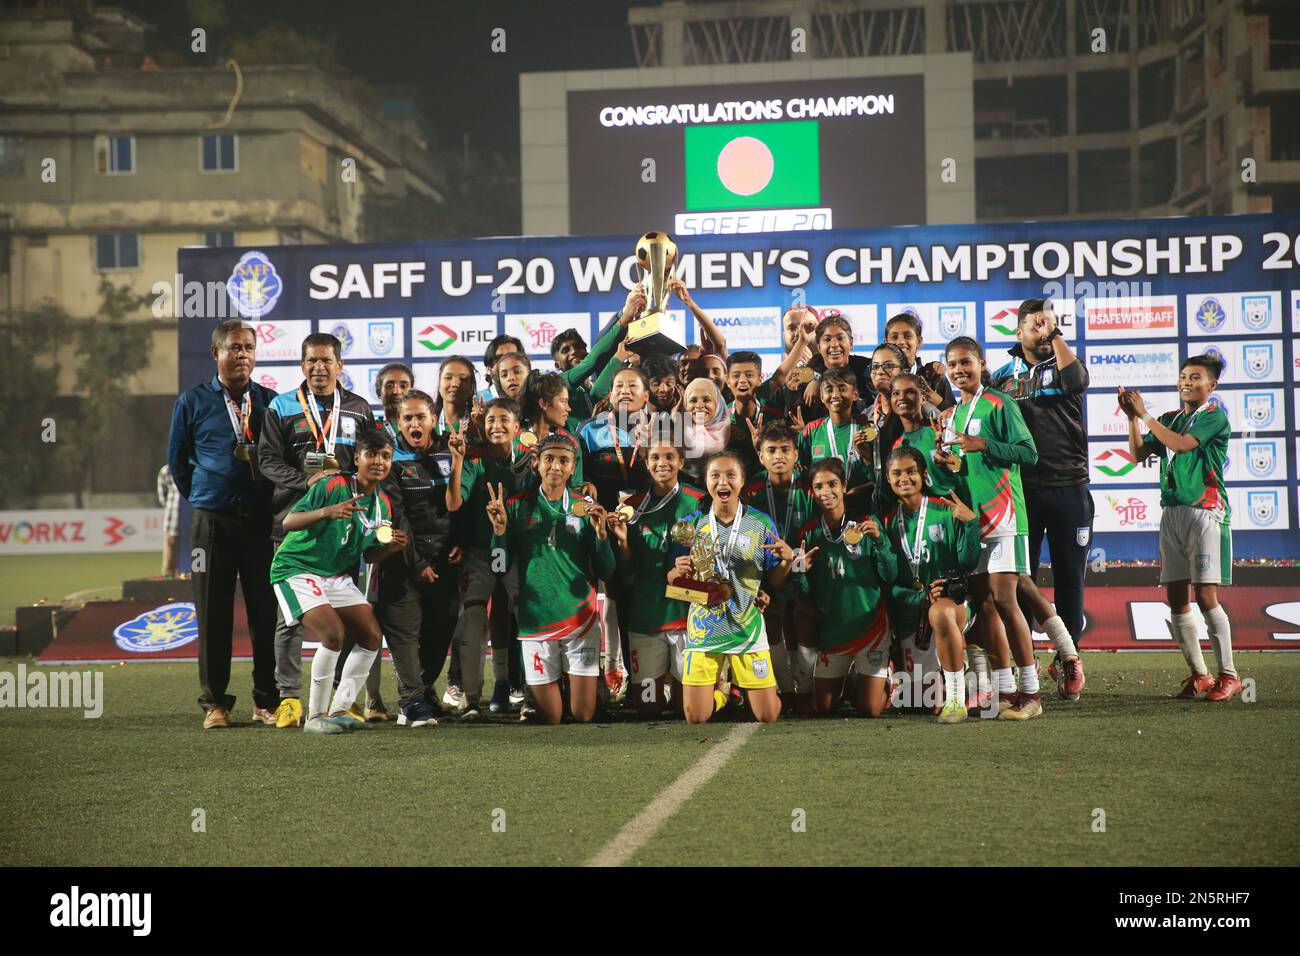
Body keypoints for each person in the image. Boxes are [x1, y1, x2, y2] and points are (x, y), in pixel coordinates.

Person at [257, 332, 376, 728]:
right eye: (311, 361)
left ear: (340, 365)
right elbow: (267, 460)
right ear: (301, 365)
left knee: (344, 615)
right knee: (288, 618)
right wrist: (302, 481)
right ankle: (290, 697)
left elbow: (369, 460)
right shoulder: (282, 405)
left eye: (326, 361)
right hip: (294, 522)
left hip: (344, 528)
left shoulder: (358, 409)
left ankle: (338, 701)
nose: (319, 368)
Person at [167, 319, 280, 729]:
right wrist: (205, 496)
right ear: (217, 353)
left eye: (249, 347)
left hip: (261, 523)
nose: (243, 355)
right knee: (213, 614)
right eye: (234, 348)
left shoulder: (272, 402)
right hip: (211, 523)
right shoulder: (192, 402)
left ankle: (266, 700)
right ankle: (215, 703)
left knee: (265, 613)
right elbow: (178, 463)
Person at [1120, 354, 1240, 702]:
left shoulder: (1214, 417)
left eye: (1196, 377)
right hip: (1172, 512)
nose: (1186, 382)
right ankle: (1199, 675)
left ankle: (1229, 675)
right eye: (1183, 376)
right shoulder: (1172, 418)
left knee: (1205, 595)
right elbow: (1139, 454)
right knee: (1175, 596)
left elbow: (1180, 445)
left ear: (1212, 386)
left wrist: (1144, 414)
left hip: (1205, 511)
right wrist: (1132, 420)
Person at [269, 427, 403, 734]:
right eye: (371, 455)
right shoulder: (333, 484)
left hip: (336, 576)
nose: (379, 462)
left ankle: (340, 708)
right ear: (357, 458)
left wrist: (391, 548)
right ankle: (316, 717)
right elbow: (289, 522)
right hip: (297, 568)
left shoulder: (382, 503)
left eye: (385, 456)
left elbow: (369, 556)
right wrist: (326, 512)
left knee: (371, 635)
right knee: (333, 634)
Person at [989, 299, 1087, 700]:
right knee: (1019, 581)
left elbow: (1078, 380)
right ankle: (1023, 662)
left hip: (1070, 486)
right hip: (1021, 491)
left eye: (1049, 324)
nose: (1044, 331)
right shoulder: (1001, 375)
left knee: (1070, 579)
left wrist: (1057, 334)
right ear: (1019, 332)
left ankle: (1070, 661)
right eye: (1036, 325)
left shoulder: (1063, 362)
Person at [941, 336, 1042, 720]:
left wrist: (984, 443)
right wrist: (945, 460)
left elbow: (1028, 452)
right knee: (984, 606)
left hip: (1003, 515)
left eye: (966, 362)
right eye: (952, 364)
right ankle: (1005, 690)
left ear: (982, 363)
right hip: (972, 520)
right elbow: (959, 468)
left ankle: (1032, 693)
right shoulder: (951, 415)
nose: (959, 370)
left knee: (1004, 599)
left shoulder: (1002, 403)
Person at [486, 432, 615, 725]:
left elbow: (606, 571)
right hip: (536, 620)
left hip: (580, 618)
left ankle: (589, 686)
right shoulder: (517, 505)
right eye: (549, 459)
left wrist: (602, 537)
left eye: (563, 460)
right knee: (552, 717)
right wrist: (499, 532)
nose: (555, 466)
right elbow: (498, 567)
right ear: (536, 463)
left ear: (573, 467)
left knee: (583, 714)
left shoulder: (585, 507)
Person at [670, 451, 794, 724]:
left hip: (746, 626)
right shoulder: (691, 525)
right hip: (705, 629)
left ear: (742, 481)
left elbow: (774, 580)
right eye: (715, 476)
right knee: (695, 717)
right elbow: (675, 587)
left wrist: (787, 561)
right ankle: (723, 693)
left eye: (730, 475)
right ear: (706, 481)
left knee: (767, 715)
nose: (722, 482)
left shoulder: (760, 524)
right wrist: (675, 574)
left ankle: (743, 689)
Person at [378, 389, 463, 727]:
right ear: (398, 422)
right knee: (405, 634)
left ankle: (423, 690)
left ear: (433, 420)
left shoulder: (449, 450)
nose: (415, 423)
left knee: (441, 630)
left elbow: (460, 505)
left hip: (446, 560)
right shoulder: (390, 458)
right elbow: (396, 516)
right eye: (408, 418)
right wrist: (417, 563)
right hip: (402, 560)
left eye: (420, 417)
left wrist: (461, 543)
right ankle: (410, 702)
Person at [879, 446, 983, 723]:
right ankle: (908, 676)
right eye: (897, 473)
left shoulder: (944, 509)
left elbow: (967, 561)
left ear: (924, 474)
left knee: (940, 611)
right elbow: (887, 578)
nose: (905, 478)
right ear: (888, 479)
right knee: (916, 701)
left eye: (911, 472)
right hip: (909, 614)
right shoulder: (887, 522)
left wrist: (971, 524)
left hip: (949, 606)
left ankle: (956, 699)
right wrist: (916, 597)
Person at [607, 437, 705, 719]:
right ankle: (662, 682)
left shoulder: (699, 502)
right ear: (646, 464)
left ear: (681, 462)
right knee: (648, 707)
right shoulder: (632, 507)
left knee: (686, 708)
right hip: (647, 617)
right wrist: (624, 544)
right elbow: (626, 570)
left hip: (687, 617)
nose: (662, 463)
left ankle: (713, 686)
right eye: (655, 458)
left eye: (669, 457)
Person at [446, 398, 531, 718]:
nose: (497, 426)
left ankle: (529, 692)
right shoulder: (474, 458)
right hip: (481, 553)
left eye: (504, 420)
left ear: (517, 427)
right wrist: (456, 462)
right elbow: (454, 504)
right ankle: (470, 699)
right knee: (473, 618)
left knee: (527, 614)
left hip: (516, 552)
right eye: (491, 420)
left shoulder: (528, 459)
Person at [791, 459, 897, 717]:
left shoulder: (867, 524)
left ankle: (888, 676)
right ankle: (854, 680)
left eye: (832, 484)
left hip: (869, 626)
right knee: (824, 708)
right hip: (833, 632)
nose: (826, 492)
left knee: (871, 709)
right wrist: (798, 570)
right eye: (818, 487)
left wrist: (881, 542)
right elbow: (803, 591)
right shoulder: (807, 533)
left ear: (844, 486)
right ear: (812, 492)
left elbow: (890, 575)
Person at [740, 420, 816, 711]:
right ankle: (785, 687)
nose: (779, 456)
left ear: (797, 455)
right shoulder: (751, 490)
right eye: (771, 450)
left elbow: (814, 532)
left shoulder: (809, 487)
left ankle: (805, 685)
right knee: (770, 615)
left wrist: (798, 563)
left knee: (804, 614)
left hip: (805, 567)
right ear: (760, 456)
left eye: (785, 449)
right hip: (766, 571)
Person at [798, 368, 873, 515]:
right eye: (829, 389)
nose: (835, 395)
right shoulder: (811, 430)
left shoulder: (867, 430)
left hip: (861, 508)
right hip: (821, 512)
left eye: (842, 388)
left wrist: (866, 458)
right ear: (821, 396)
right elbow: (800, 472)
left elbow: (880, 478)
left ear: (855, 394)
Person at [890, 373, 966, 500]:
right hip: (924, 515)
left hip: (955, 509)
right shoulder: (896, 445)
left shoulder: (941, 431)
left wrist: (950, 462)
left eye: (909, 392)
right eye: (896, 393)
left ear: (923, 398)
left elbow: (966, 469)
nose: (901, 397)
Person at [884, 312, 953, 412]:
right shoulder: (879, 379)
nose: (901, 342)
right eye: (894, 337)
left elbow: (956, 417)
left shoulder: (935, 378)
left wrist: (937, 401)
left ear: (919, 341)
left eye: (907, 336)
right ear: (886, 343)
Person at [680, 377, 731, 487]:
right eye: (693, 400)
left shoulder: (734, 436)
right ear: (685, 405)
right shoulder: (674, 437)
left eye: (707, 400)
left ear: (717, 404)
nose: (699, 406)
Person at [475, 334, 524, 404]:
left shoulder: (537, 400)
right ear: (488, 368)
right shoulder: (477, 401)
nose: (506, 363)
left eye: (512, 356)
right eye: (499, 358)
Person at [375, 362, 414, 444]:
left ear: (412, 392)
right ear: (379, 392)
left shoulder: (425, 428)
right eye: (390, 386)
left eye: (403, 386)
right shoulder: (371, 429)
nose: (396, 391)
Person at [156, 464, 180, 577]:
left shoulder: (166, 470)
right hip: (193, 524)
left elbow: (163, 499)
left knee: (169, 562)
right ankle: (197, 589)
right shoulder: (198, 467)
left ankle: (168, 590)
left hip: (172, 523)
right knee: (195, 562)